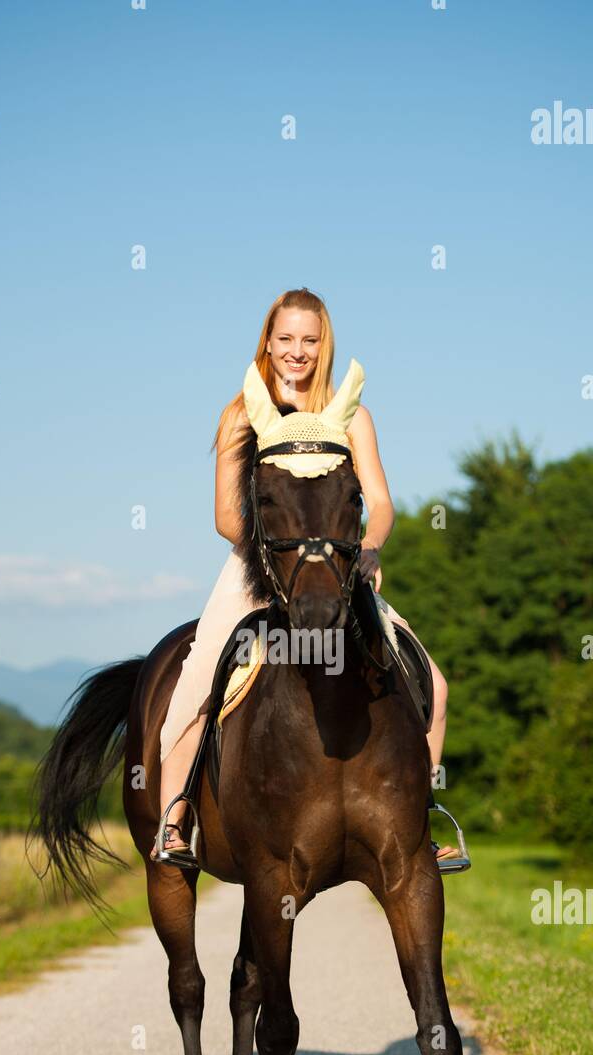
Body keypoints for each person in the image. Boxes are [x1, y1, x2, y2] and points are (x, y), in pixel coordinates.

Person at [152, 287, 459, 863]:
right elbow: (225, 516)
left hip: (339, 569)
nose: (298, 351)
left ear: (325, 345)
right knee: (194, 687)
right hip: (257, 568)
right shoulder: (242, 413)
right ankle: (174, 816)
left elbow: (382, 502)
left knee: (434, 687)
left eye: (310, 340)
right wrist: (282, 561)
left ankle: (420, 818)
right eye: (286, 338)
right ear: (268, 341)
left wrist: (368, 546)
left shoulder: (352, 415)